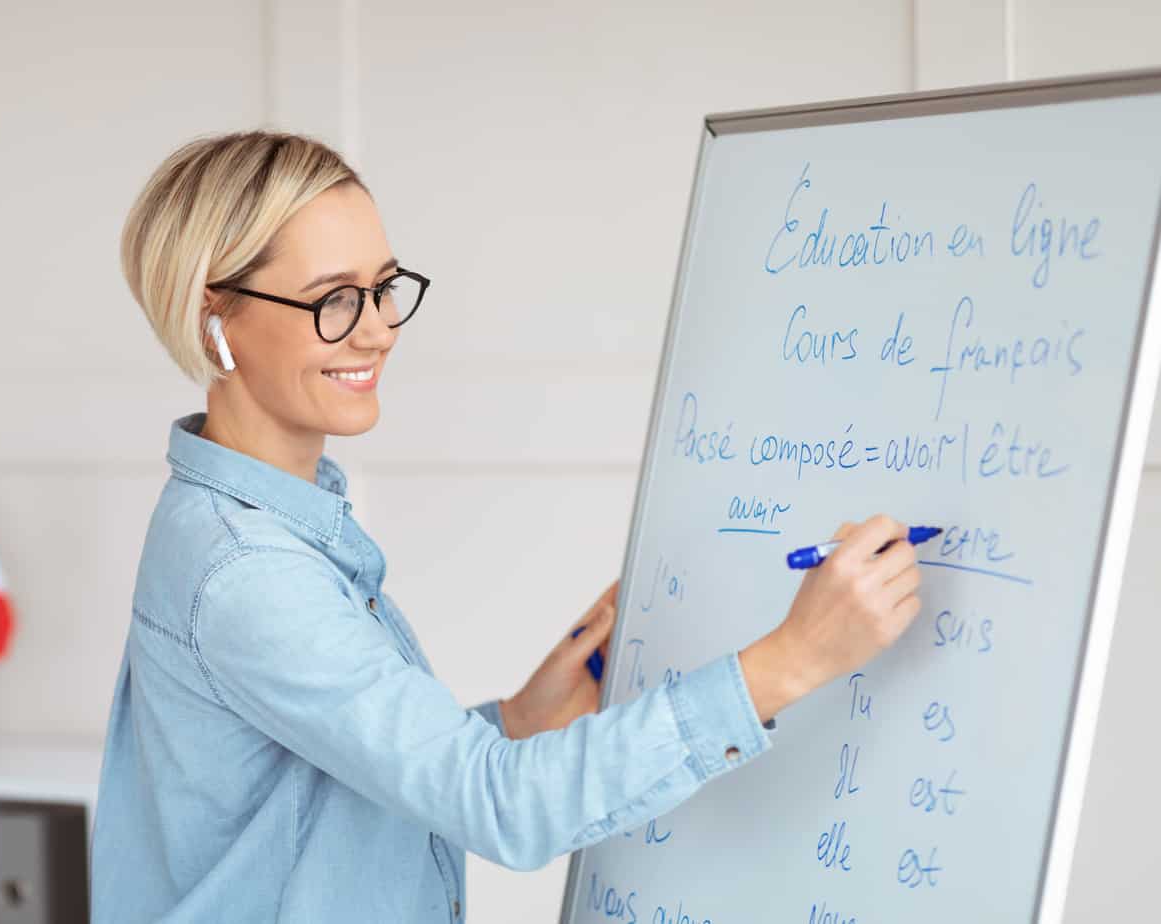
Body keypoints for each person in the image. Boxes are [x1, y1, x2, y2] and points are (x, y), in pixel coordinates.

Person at [89, 131, 923, 923]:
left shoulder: (254, 526)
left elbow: (319, 804)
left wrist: (514, 723)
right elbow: (498, 806)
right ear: (214, 319)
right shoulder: (248, 571)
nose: (377, 328)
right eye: (333, 300)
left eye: (382, 287)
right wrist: (796, 659)